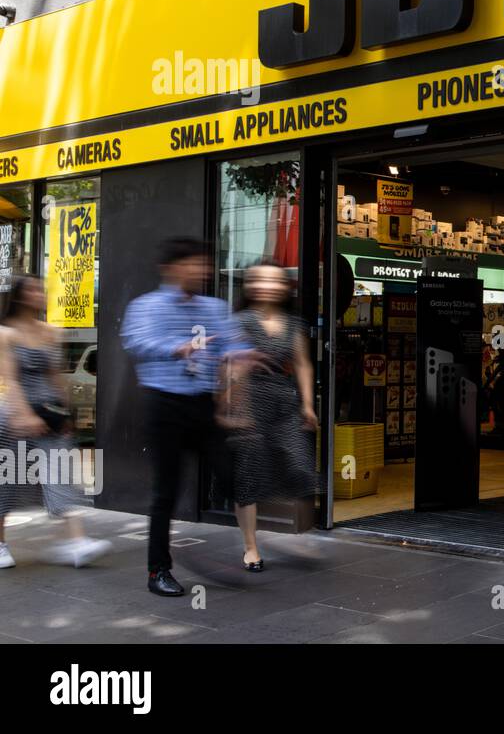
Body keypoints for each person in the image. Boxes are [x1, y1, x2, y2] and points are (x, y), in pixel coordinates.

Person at [121, 237, 250, 597]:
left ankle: (231, 545)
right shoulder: (147, 306)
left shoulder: (213, 306)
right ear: (173, 267)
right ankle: (158, 570)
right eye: (195, 263)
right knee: (166, 492)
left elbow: (231, 343)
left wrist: (246, 355)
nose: (203, 270)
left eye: (205, 264)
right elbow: (136, 341)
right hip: (164, 405)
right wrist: (175, 348)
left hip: (201, 405)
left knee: (229, 475)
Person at [0, 275, 111, 569]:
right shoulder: (6, 334)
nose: (41, 294)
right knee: (6, 481)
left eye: (41, 289)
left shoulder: (50, 332)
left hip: (50, 411)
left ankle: (76, 542)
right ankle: (0, 545)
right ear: (21, 296)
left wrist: (68, 411)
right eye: (34, 290)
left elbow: (56, 376)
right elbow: (10, 380)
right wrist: (25, 415)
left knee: (61, 473)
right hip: (14, 415)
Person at [223, 261, 318, 571]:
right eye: (260, 280)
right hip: (249, 402)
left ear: (285, 288)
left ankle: (299, 533)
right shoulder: (240, 321)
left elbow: (303, 364)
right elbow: (230, 368)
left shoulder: (294, 324)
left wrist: (307, 404)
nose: (268, 286)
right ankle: (251, 547)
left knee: (301, 467)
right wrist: (235, 406)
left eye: (275, 281)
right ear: (250, 286)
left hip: (283, 400)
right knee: (248, 478)